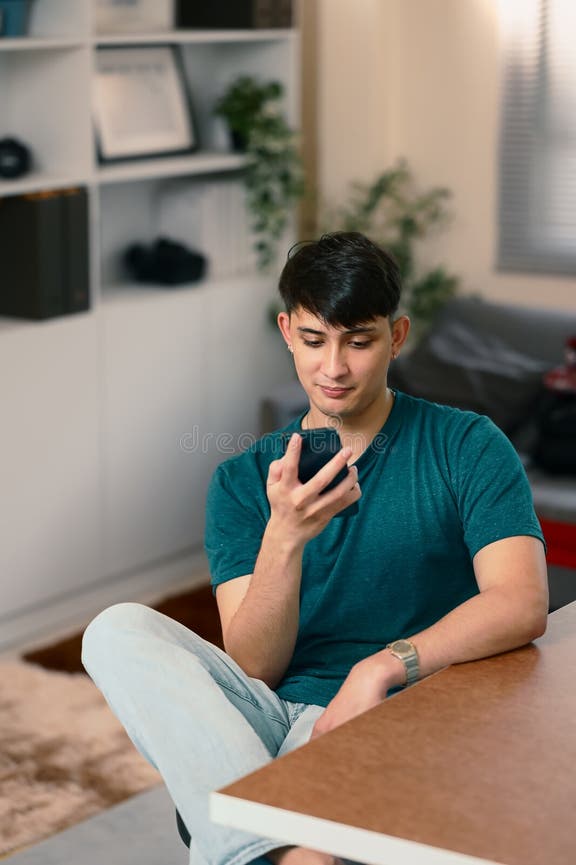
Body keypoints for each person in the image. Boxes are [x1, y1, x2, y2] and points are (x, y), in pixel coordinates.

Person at [82, 231, 549, 865]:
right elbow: (255, 667)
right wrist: (285, 538)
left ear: (397, 336)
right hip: (275, 707)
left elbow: (521, 601)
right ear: (285, 331)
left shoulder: (465, 444)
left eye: (359, 342)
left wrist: (380, 668)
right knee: (114, 630)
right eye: (313, 340)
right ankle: (287, 845)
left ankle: (262, 834)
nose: (334, 368)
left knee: (264, 781)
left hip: (403, 706)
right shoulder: (244, 481)